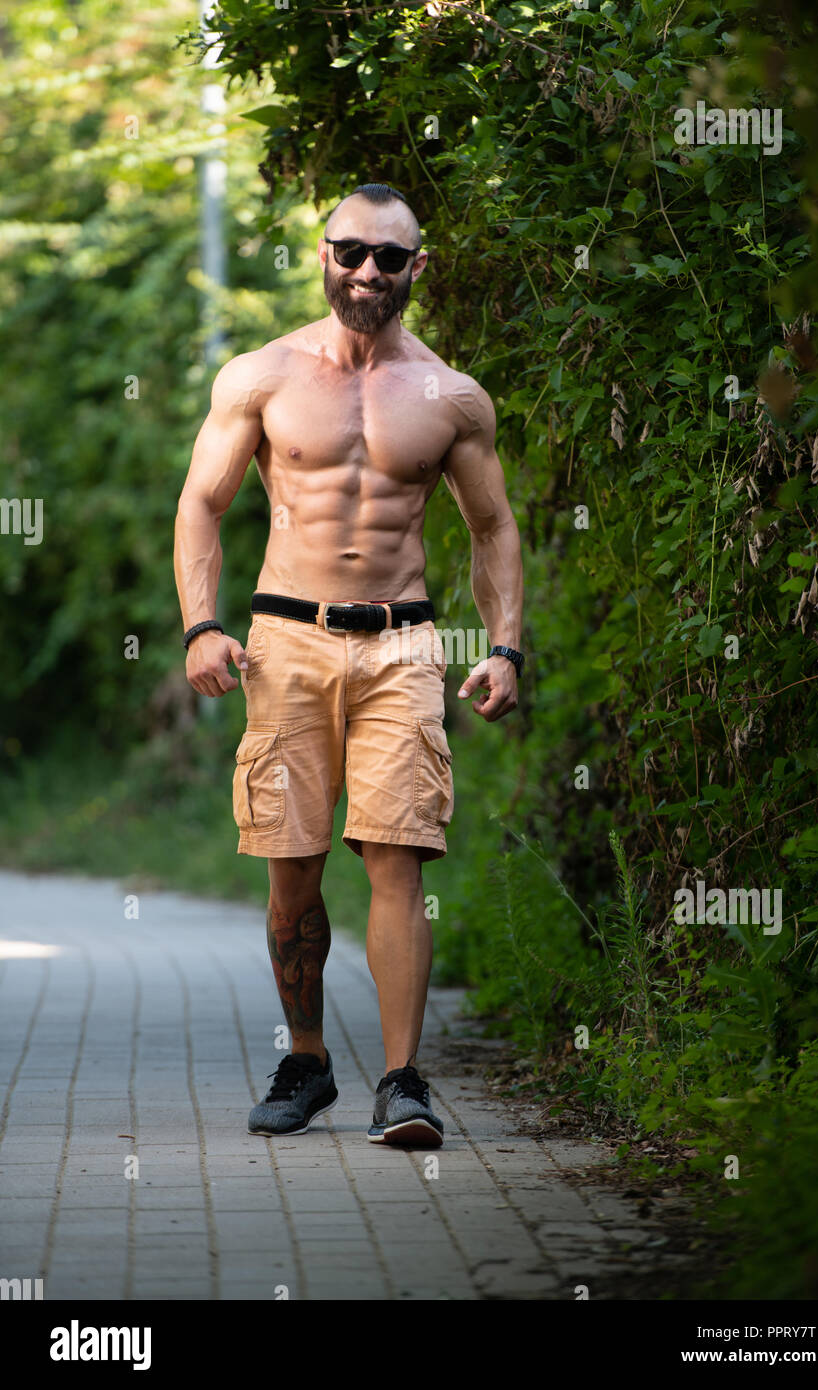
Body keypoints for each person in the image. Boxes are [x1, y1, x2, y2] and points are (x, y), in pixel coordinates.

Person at [173, 182, 524, 1147]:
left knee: (398, 861)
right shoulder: (263, 376)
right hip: (284, 638)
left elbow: (492, 527)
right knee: (293, 872)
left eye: (389, 258)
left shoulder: (451, 396)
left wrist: (503, 647)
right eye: (350, 252)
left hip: (405, 643)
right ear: (323, 254)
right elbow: (202, 503)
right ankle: (309, 1058)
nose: (367, 271)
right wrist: (201, 625)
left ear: (420, 268)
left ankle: (404, 1082)